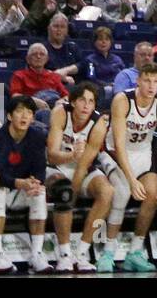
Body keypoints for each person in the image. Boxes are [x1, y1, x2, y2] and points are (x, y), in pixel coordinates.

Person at [104, 63, 157, 273]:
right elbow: (117, 143)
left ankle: (135, 251)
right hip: (115, 153)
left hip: (142, 153)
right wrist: (131, 179)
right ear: (138, 80)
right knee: (123, 192)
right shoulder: (122, 100)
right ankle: (108, 252)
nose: (152, 86)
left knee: (152, 193)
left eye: (156, 81)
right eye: (147, 80)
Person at [44, 81, 115, 273]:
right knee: (64, 191)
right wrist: (71, 155)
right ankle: (65, 255)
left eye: (91, 102)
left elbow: (86, 162)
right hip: (57, 166)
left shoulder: (99, 123)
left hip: (82, 169)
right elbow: (51, 154)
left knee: (107, 191)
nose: (86, 105)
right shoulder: (60, 113)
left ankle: (82, 253)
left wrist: (74, 188)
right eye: (82, 100)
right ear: (73, 101)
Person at [0, 96, 52, 274]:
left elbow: (40, 168)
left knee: (40, 192)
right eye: (19, 111)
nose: (24, 116)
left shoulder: (37, 137)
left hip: (23, 189)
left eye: (29, 112)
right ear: (9, 116)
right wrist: (18, 182)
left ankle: (36, 254)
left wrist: (35, 183)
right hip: (5, 187)